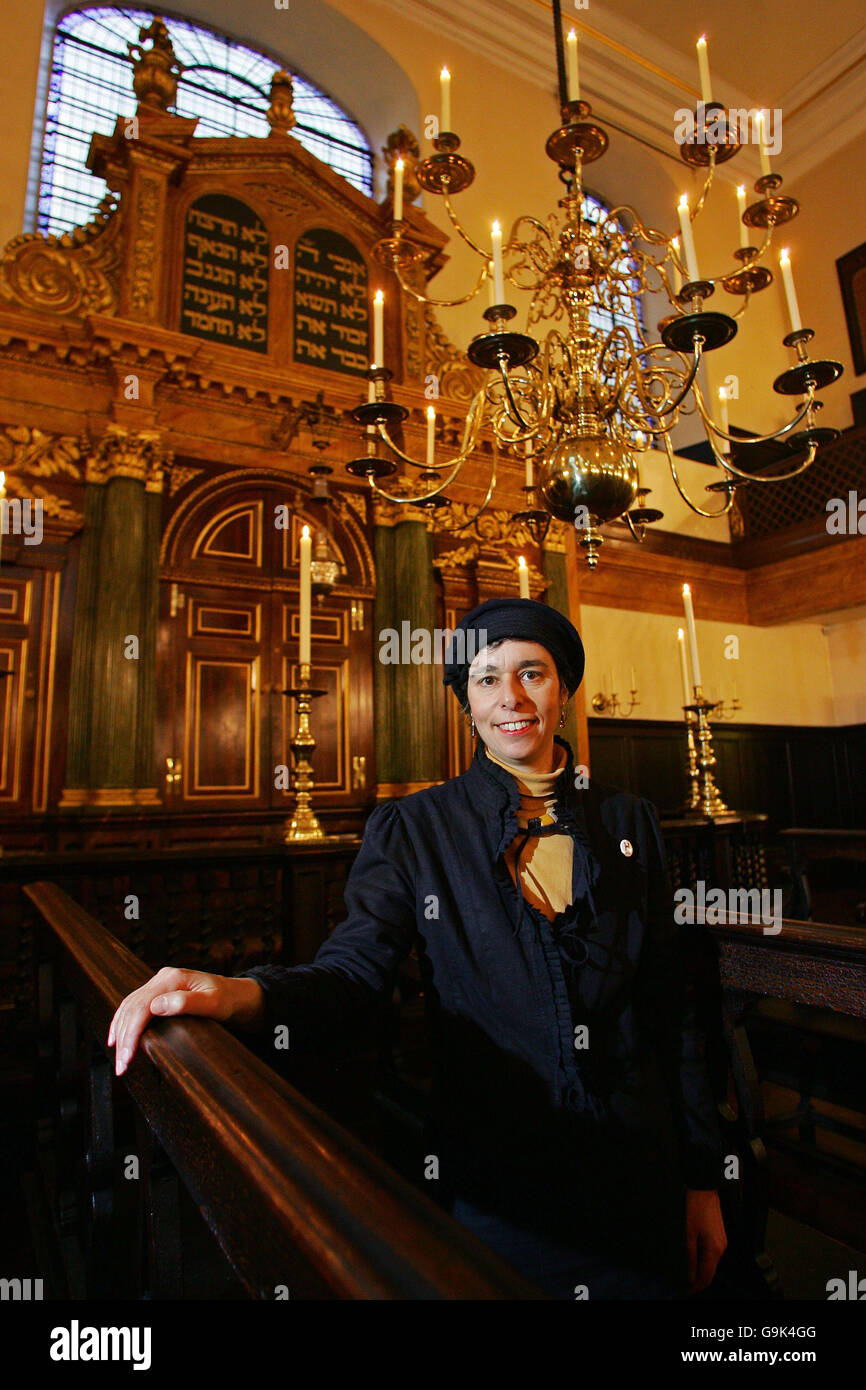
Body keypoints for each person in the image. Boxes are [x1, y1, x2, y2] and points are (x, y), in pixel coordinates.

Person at [108, 597, 727, 1299]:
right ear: (465, 699)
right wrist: (239, 993)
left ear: (564, 689)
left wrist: (701, 1176)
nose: (511, 698)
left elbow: (670, 1009)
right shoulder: (415, 828)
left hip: (640, 1182)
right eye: (487, 679)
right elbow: (351, 976)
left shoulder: (630, 820)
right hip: (502, 1193)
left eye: (533, 673)